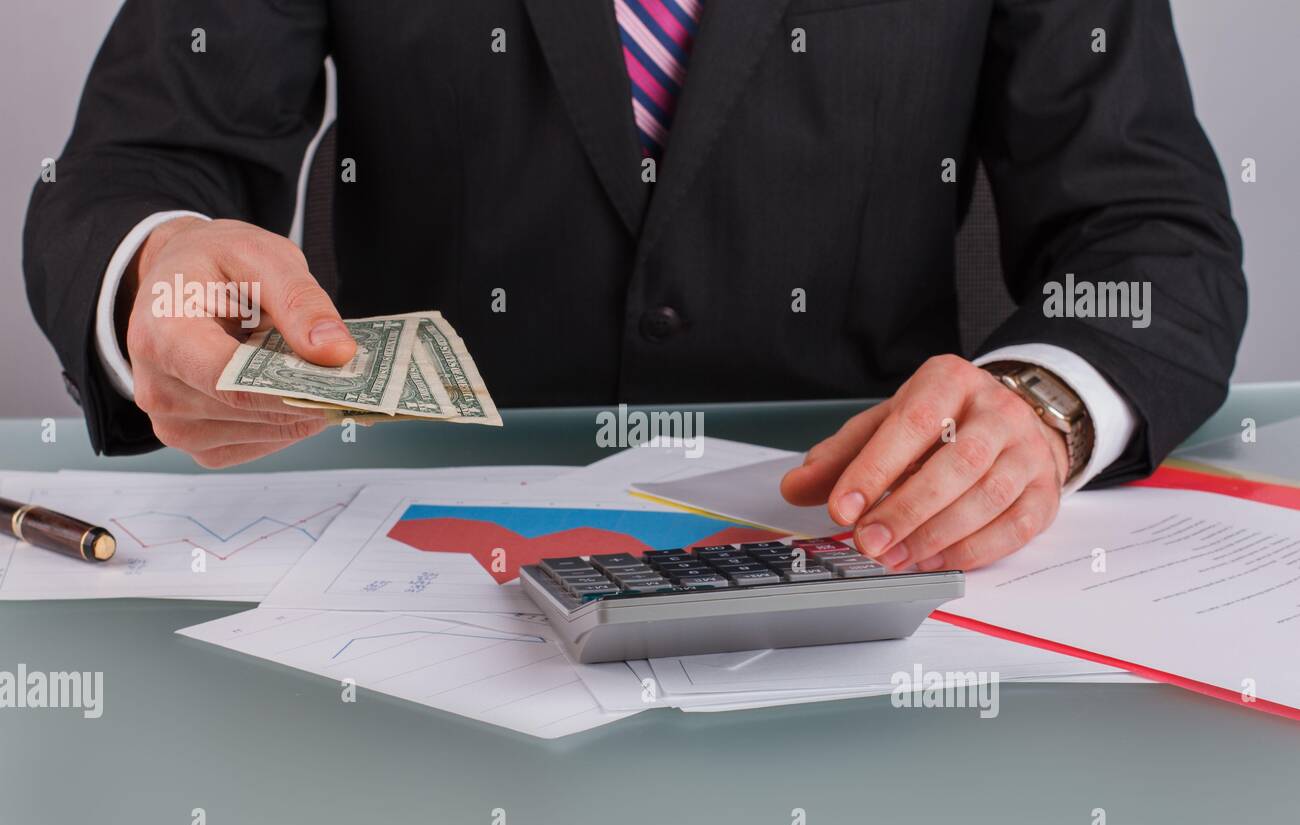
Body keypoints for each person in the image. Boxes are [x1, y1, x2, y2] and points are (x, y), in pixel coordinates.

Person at [23, 0, 1246, 573]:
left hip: (858, 555)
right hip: (419, 558)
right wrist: (155, 273)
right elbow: (138, 162)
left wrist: (1042, 406)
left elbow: (1148, 235)